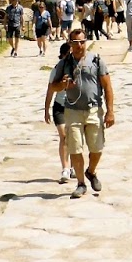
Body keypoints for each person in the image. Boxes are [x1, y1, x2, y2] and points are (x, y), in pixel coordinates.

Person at [43, 29, 114, 197]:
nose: (79, 46)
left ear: (86, 42)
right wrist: (63, 85)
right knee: (75, 148)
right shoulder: (64, 63)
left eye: (82, 42)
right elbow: (53, 86)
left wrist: (110, 111)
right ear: (70, 44)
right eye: (75, 43)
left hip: (93, 109)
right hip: (72, 111)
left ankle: (91, 171)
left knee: (97, 147)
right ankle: (81, 183)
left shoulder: (96, 60)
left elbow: (107, 86)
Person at [49, 40, 73, 181]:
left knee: (74, 138)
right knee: (64, 136)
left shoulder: (80, 68)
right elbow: (50, 89)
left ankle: (73, 167)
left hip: (75, 106)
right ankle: (65, 168)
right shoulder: (57, 69)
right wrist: (46, 109)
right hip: (60, 106)